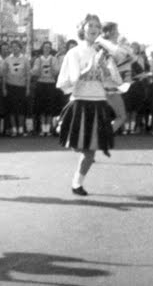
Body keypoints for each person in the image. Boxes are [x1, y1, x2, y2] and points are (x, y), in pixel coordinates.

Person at [56, 14, 123, 196]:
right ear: (83, 29)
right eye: (90, 25)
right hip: (79, 103)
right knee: (79, 146)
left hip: (98, 103)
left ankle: (77, 184)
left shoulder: (104, 52)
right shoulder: (74, 53)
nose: (93, 28)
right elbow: (69, 81)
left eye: (96, 25)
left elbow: (115, 81)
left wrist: (103, 68)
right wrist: (88, 68)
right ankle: (62, 124)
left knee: (90, 152)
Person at [32, 41, 60, 137]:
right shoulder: (38, 59)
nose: (47, 49)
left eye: (49, 47)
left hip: (51, 84)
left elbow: (57, 71)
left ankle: (48, 129)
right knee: (41, 106)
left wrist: (52, 68)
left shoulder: (54, 59)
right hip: (41, 83)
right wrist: (38, 69)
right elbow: (34, 72)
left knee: (49, 107)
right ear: (42, 48)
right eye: (45, 47)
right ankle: (42, 128)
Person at [3, 41, 30, 136]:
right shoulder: (7, 59)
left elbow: (28, 75)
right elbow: (4, 75)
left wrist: (27, 88)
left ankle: (21, 128)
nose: (15, 49)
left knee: (21, 109)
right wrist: (4, 88)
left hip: (21, 87)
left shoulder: (25, 59)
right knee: (12, 109)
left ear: (20, 48)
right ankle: (14, 129)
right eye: (13, 47)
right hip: (10, 86)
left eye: (17, 47)